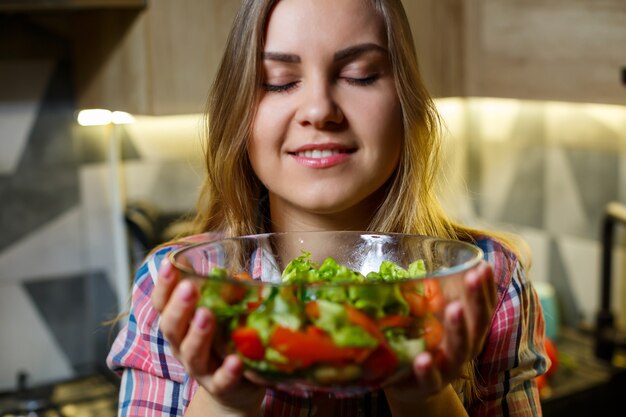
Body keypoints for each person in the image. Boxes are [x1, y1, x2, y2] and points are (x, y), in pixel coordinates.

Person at [107, 0, 549, 416]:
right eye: (278, 81)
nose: (319, 110)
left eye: (360, 74)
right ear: (237, 112)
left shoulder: (486, 281)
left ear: (407, 103)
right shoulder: (179, 290)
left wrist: (426, 400)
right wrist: (225, 400)